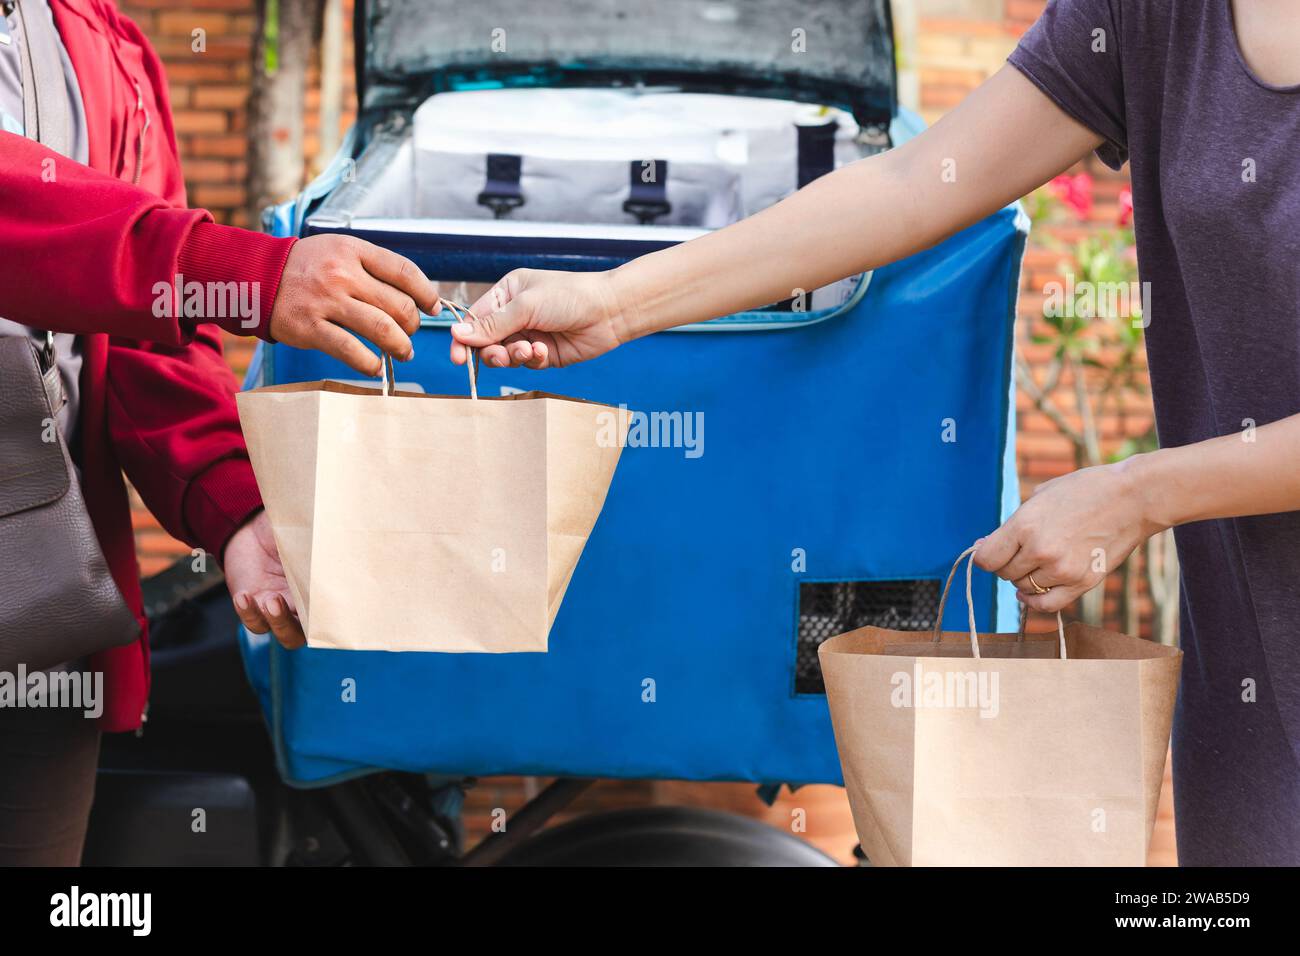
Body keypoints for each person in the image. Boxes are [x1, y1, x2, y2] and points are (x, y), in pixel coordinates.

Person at [447, 0, 1300, 866]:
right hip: (1252, 645)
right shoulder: (1156, 15)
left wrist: (1141, 491)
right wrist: (614, 302)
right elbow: (910, 185)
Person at [0, 0, 437, 864]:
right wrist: (235, 270)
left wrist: (236, 509)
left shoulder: (102, 45)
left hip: (37, 620)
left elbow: (140, 339)